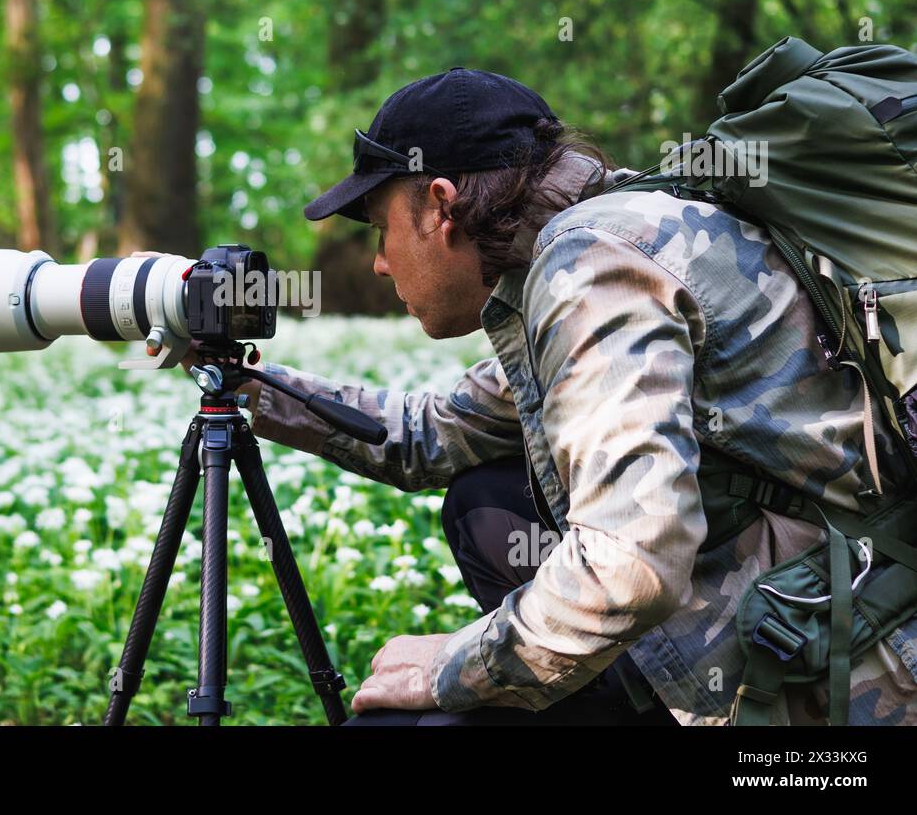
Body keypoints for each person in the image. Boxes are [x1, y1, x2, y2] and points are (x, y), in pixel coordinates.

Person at [162, 67, 917, 725]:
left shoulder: (591, 263)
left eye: (377, 227)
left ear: (439, 203)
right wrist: (250, 388)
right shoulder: (599, 242)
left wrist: (451, 666)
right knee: (484, 494)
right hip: (828, 589)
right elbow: (436, 436)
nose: (381, 266)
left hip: (847, 670)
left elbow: (631, 565)